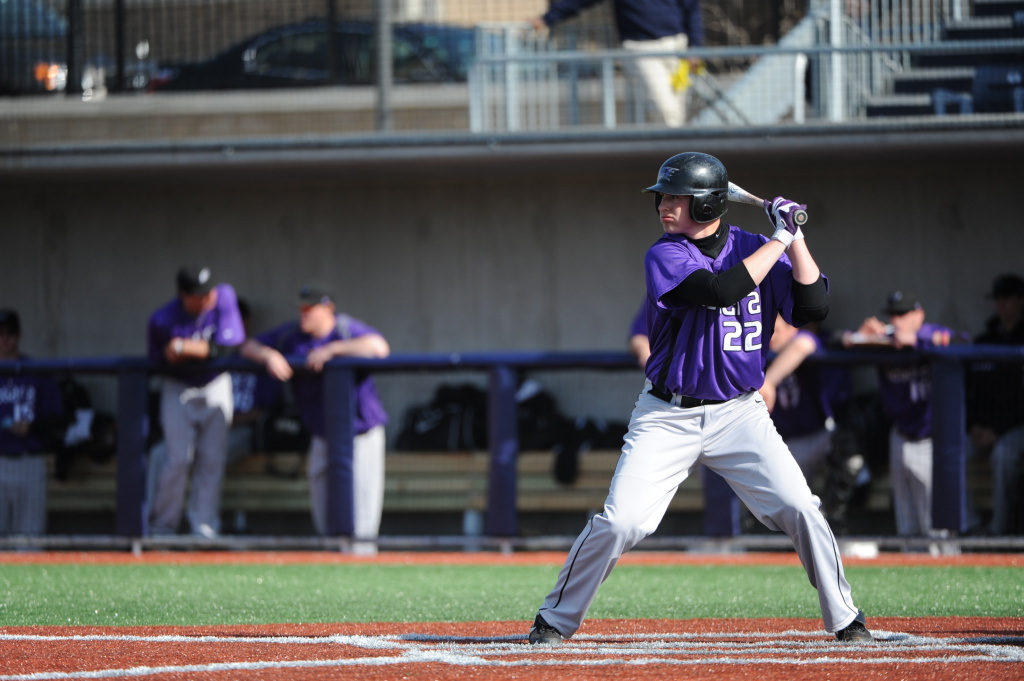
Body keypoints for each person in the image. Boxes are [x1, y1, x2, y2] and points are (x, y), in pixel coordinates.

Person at [529, 151, 873, 645]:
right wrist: (779, 238)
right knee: (622, 521)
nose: (664, 206)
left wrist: (795, 237)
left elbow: (813, 306)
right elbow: (719, 290)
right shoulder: (666, 253)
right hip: (667, 415)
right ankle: (554, 619)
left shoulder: (758, 247)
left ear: (709, 204)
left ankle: (846, 618)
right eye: (663, 197)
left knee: (802, 508)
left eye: (677, 198)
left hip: (740, 414)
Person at [240, 283, 390, 551]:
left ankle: (362, 563)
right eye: (302, 308)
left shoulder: (345, 329)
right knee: (324, 512)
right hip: (322, 434)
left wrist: (333, 350)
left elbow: (379, 347)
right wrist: (268, 355)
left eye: (310, 308)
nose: (304, 314)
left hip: (360, 435)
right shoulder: (291, 335)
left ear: (328, 308)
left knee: (362, 519)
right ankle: (332, 562)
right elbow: (247, 346)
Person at [844, 290, 954, 539]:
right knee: (907, 523)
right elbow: (838, 341)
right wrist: (861, 336)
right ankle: (911, 561)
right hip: (899, 435)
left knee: (937, 526)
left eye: (903, 314)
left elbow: (961, 340)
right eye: (893, 315)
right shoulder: (886, 340)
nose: (897, 320)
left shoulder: (930, 333)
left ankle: (945, 561)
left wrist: (916, 339)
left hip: (932, 439)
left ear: (919, 315)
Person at [146, 265, 246, 538]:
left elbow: (227, 347)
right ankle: (162, 527)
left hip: (215, 384)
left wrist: (184, 347)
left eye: (209, 290)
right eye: (201, 294)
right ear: (184, 295)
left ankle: (203, 529)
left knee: (212, 461)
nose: (209, 297)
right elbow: (159, 360)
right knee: (177, 460)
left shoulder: (223, 296)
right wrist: (186, 352)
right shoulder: (163, 319)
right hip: (179, 387)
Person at [532, 0, 704, 127]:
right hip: (640, 48)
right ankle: (673, 155)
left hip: (677, 46)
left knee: (678, 107)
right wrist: (548, 18)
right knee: (662, 107)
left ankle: (676, 154)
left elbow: (692, 9)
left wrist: (695, 47)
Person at [0, 309, 67, 536]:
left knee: (30, 538)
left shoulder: (37, 371)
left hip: (29, 460)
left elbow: (57, 420)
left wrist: (33, 427)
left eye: (9, 333)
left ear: (19, 335)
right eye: (0, 333)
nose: (4, 339)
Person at [967, 274, 1024, 534]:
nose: (1001, 304)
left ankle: (999, 531)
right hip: (982, 428)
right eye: (998, 299)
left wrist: (998, 430)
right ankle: (967, 526)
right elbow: (969, 392)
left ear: (1020, 301)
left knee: (1004, 454)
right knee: (951, 450)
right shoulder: (983, 341)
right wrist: (973, 426)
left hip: (1014, 428)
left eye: (1007, 298)